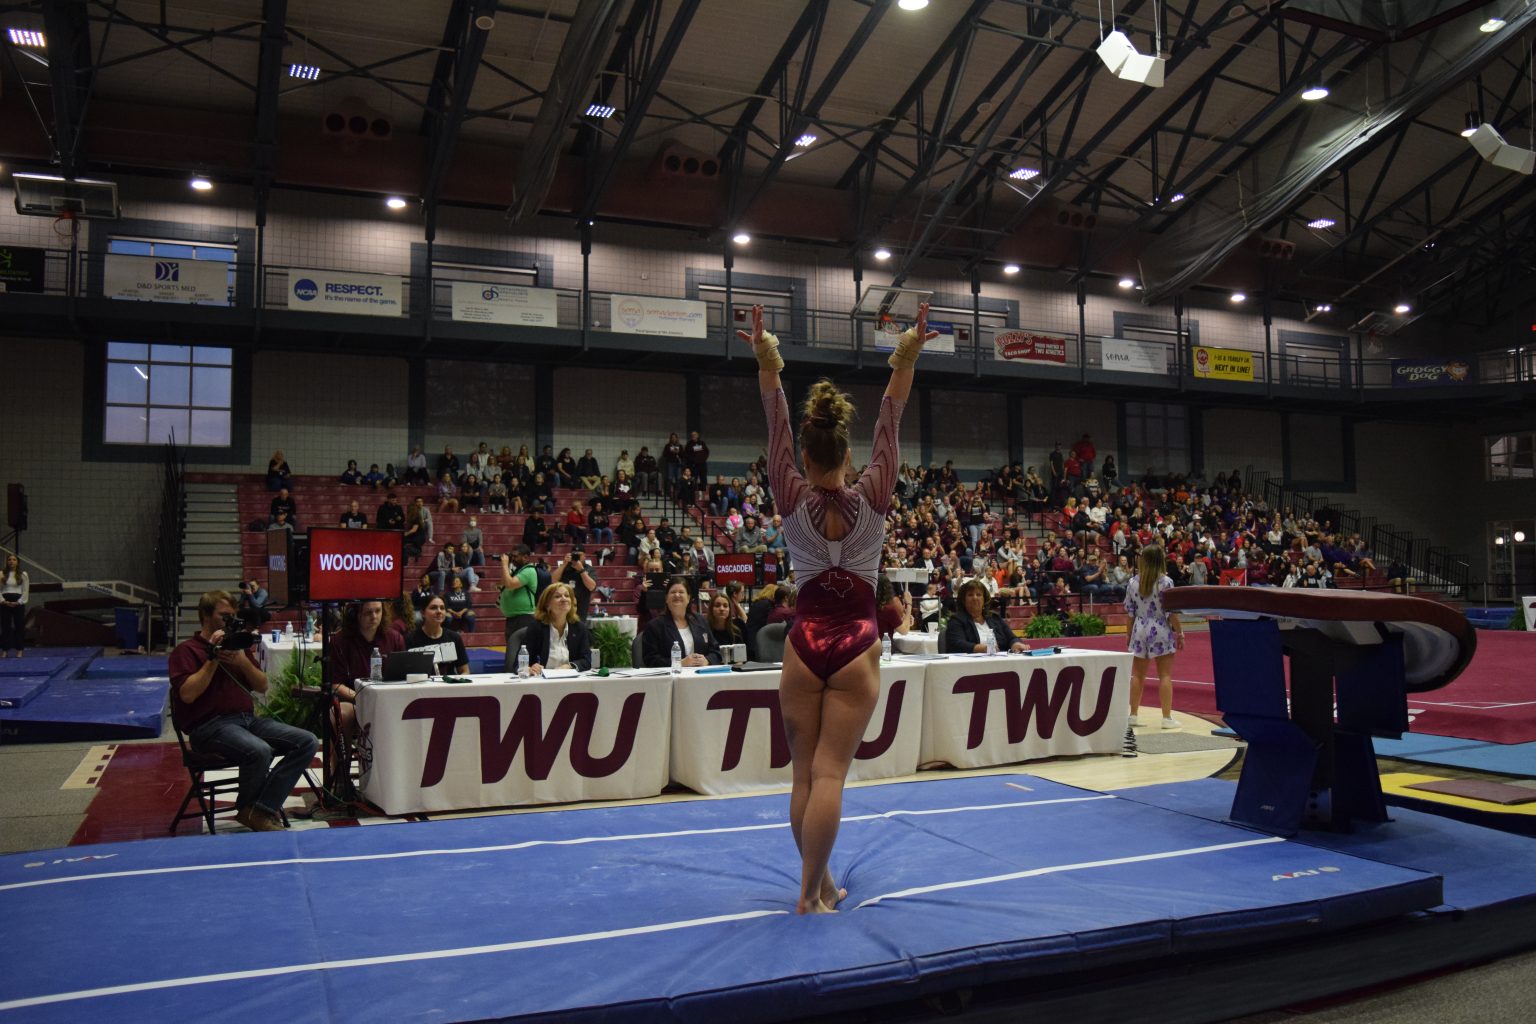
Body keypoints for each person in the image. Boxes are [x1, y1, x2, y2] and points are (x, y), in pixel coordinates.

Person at [743, 299, 935, 914]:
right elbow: (890, 418)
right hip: (856, 642)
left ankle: (819, 887)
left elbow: (774, 419)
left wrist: (765, 353)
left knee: (803, 778)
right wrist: (907, 351)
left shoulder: (786, 490)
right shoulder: (874, 494)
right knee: (830, 776)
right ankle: (810, 894)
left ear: (805, 455)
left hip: (803, 643)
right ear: (847, 456)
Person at [168, 590, 318, 832]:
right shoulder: (186, 651)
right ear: (206, 616)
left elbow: (262, 685)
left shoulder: (238, 645)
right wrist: (213, 658)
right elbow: (187, 694)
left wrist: (242, 661)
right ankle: (256, 812)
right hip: (209, 727)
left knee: (307, 741)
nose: (231, 621)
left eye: (233, 616)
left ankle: (257, 810)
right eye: (224, 616)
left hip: (247, 721)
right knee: (259, 750)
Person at [1125, 544, 1183, 741]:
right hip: (1160, 628)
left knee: (1137, 675)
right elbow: (1172, 612)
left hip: (1139, 628)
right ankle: (1166, 717)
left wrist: (1128, 636)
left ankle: (1133, 714)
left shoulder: (1133, 582)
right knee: (1164, 675)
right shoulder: (1166, 582)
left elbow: (1129, 613)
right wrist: (1180, 632)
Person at [327, 599, 404, 744]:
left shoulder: (395, 638)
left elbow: (403, 676)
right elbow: (336, 684)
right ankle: (341, 767)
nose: (374, 616)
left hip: (389, 701)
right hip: (355, 701)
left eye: (378, 611)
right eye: (368, 612)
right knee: (340, 713)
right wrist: (364, 697)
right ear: (355, 614)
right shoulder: (340, 641)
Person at [639, 576, 722, 668]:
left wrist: (707, 660)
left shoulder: (701, 621)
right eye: (673, 592)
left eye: (681, 592)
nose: (677, 595)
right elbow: (650, 660)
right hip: (671, 679)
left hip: (701, 677)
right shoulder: (654, 626)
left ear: (689, 598)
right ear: (666, 598)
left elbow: (715, 651)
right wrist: (680, 663)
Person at [524, 583, 594, 674]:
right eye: (557, 596)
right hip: (543, 682)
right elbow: (519, 663)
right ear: (547, 605)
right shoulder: (536, 627)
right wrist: (530, 668)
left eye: (567, 595)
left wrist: (569, 666)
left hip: (570, 682)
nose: (564, 599)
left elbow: (586, 660)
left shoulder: (579, 627)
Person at [944, 578, 1025, 654]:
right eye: (970, 595)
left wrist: (1015, 643)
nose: (975, 598)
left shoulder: (995, 618)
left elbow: (1012, 638)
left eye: (978, 595)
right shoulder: (956, 620)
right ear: (963, 600)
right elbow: (956, 644)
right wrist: (982, 648)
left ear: (984, 599)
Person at [406, 595, 469, 676]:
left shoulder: (455, 638)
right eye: (433, 608)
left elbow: (465, 671)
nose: (439, 611)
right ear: (423, 613)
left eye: (442, 608)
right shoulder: (411, 639)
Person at [499, 546, 540, 670]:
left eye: (515, 556)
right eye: (512, 556)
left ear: (526, 557)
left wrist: (505, 564)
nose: (513, 558)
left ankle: (518, 675)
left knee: (520, 654)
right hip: (513, 618)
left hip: (524, 618)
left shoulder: (529, 570)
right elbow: (504, 583)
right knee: (513, 652)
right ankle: (513, 674)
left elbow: (510, 584)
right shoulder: (518, 571)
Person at [556, 547, 599, 619]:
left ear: (584, 556)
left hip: (581, 606)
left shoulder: (589, 569)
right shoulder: (565, 567)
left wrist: (581, 570)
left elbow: (592, 587)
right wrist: (564, 564)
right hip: (564, 606)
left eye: (579, 555)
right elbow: (553, 581)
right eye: (574, 555)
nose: (577, 557)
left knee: (579, 626)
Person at [1, 554, 29, 658]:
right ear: (7, 562)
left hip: (18, 602)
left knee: (19, 626)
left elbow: (25, 590)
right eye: (9, 560)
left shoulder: (23, 574)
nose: (11, 561)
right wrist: (3, 601)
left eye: (14, 560)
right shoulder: (2, 574)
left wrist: (19, 602)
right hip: (5, 602)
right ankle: (5, 650)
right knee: (5, 627)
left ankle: (20, 650)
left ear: (17, 562)